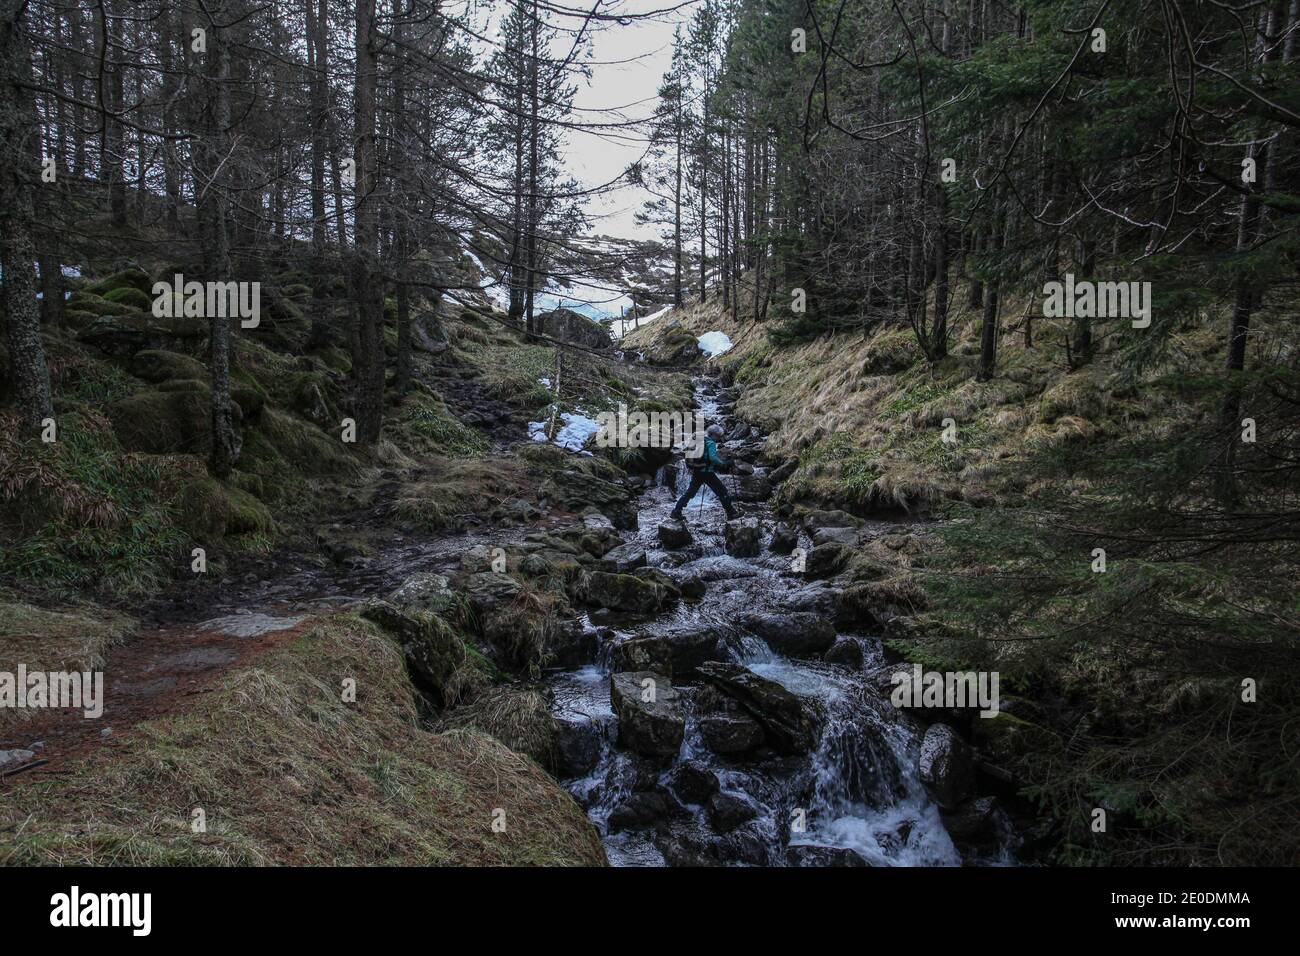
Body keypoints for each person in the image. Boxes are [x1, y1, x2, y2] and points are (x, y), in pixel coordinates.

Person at [670, 423, 737, 520]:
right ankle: (731, 513)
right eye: (718, 436)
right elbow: (713, 458)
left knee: (689, 493)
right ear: (713, 434)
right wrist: (725, 464)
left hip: (697, 470)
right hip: (707, 472)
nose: (719, 438)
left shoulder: (699, 440)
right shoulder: (711, 443)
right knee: (722, 491)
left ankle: (676, 511)